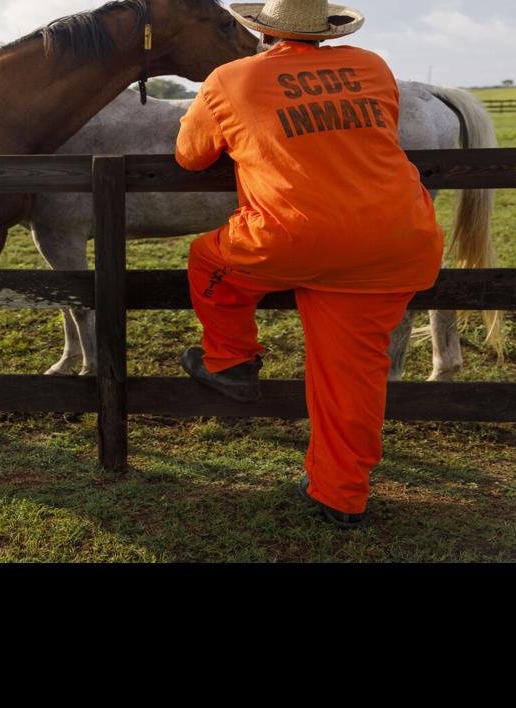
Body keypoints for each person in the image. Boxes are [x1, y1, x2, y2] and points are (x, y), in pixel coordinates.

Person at [175, 0, 445, 530]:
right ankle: (340, 494)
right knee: (354, 377)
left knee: (209, 259)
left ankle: (231, 361)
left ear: (262, 29)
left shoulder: (231, 78)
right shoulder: (371, 66)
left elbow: (189, 154)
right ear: (326, 30)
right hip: (395, 240)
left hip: (290, 239)